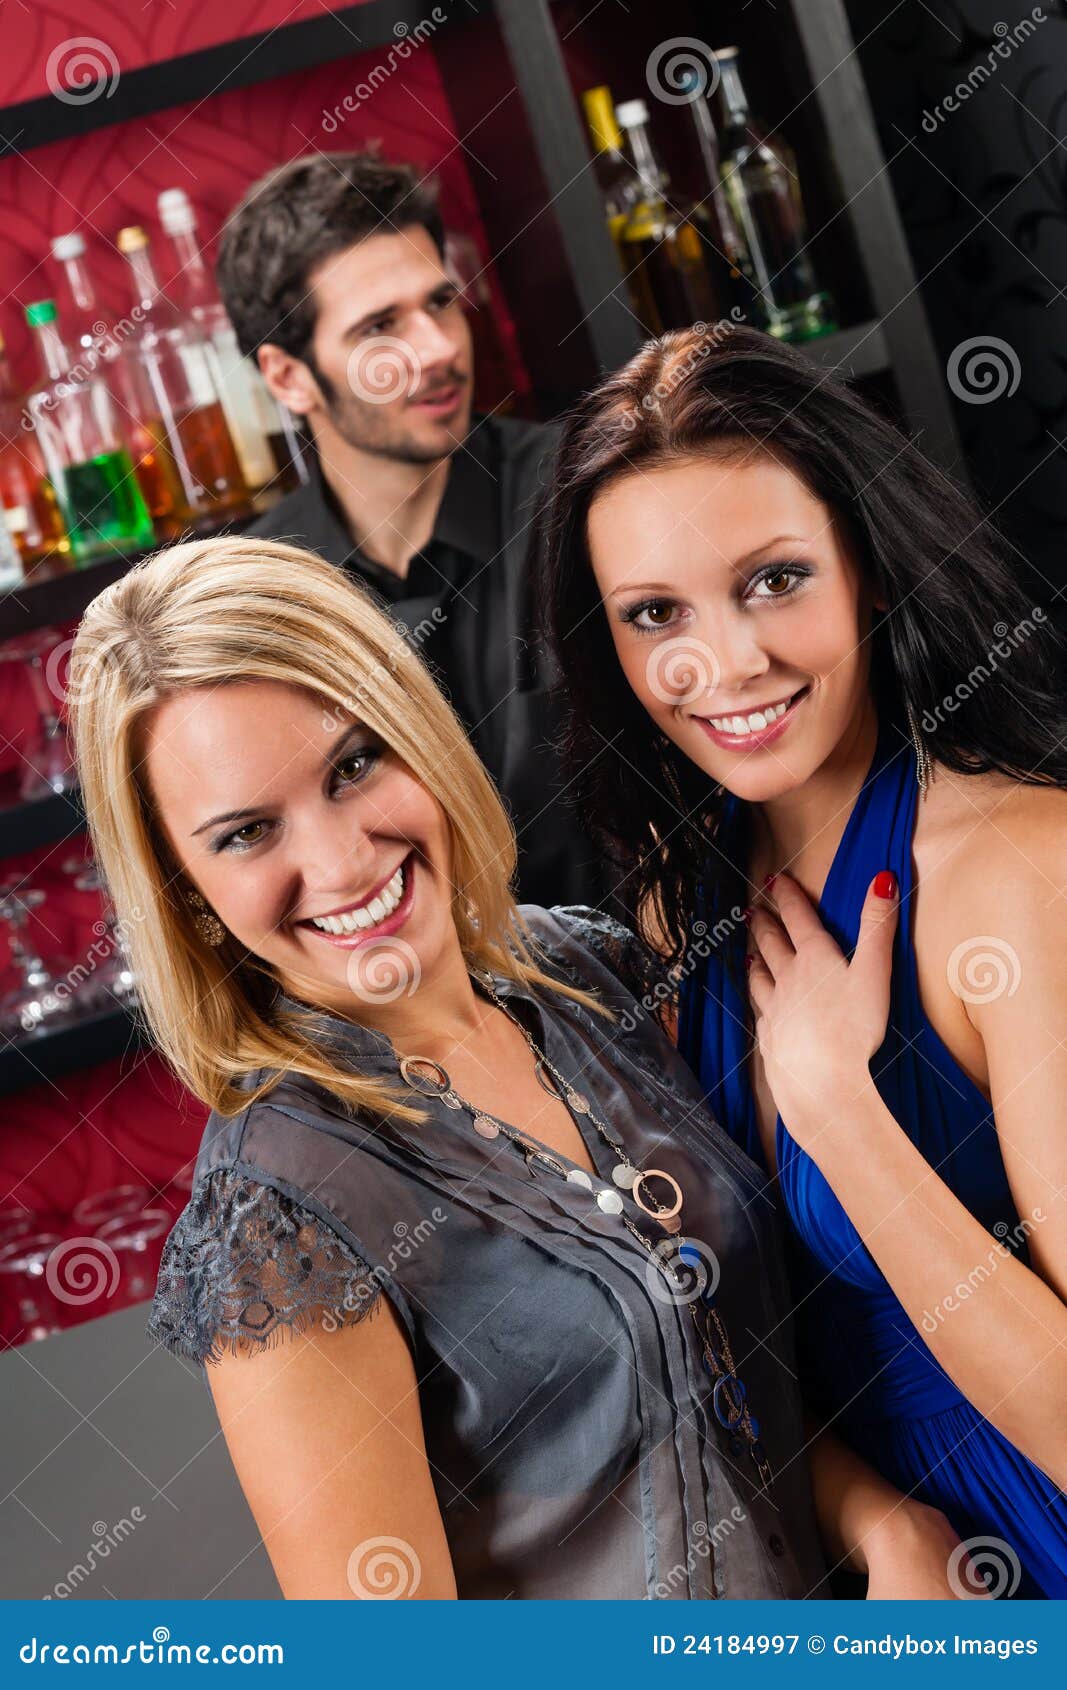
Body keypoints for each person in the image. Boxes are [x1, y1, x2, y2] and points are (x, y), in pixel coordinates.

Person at [66, 535, 971, 1602]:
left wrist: (876, 1519)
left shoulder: (588, 972)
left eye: (353, 766)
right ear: (182, 889)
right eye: (248, 832)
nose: (342, 860)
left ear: (416, 729)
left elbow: (705, 1369)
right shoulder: (277, 1211)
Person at [537, 324, 1067, 1599]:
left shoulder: (1015, 874)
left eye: (774, 580)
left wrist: (837, 1109)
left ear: (867, 568)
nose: (724, 664)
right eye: (653, 613)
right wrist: (872, 1520)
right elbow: (724, 1344)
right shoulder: (677, 904)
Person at [217, 150, 597, 907]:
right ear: (289, 377)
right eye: (380, 327)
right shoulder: (259, 596)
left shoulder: (584, 488)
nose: (439, 348)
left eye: (440, 302)